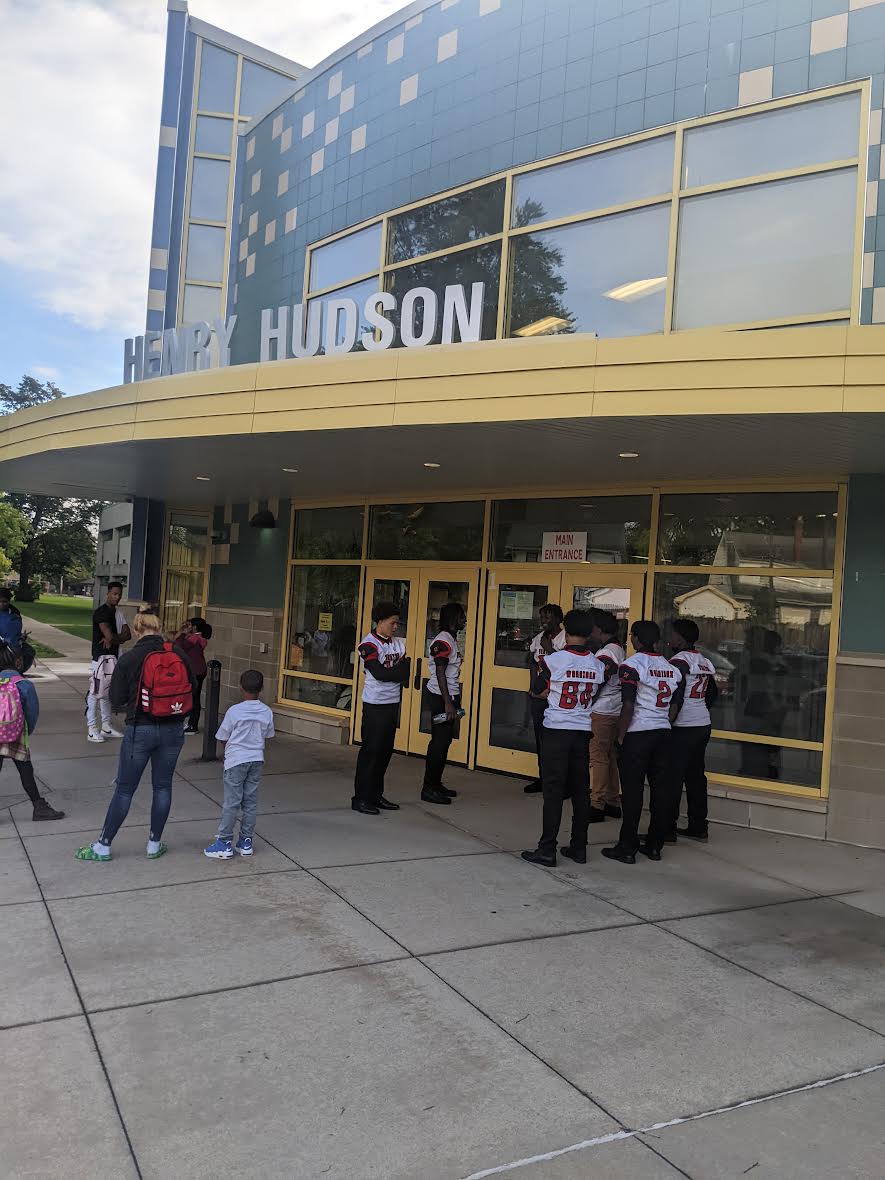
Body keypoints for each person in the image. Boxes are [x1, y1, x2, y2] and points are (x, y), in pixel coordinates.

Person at [75, 607, 196, 862]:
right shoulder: (177, 652)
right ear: (159, 627)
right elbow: (193, 687)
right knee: (162, 787)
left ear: (138, 629)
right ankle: (154, 844)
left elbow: (115, 698)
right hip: (174, 730)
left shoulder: (130, 658)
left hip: (140, 729)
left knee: (125, 789)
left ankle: (103, 845)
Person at [522, 610, 605, 867]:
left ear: (566, 631)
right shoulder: (597, 665)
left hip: (557, 730)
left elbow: (537, 690)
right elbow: (596, 693)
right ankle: (579, 847)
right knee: (581, 791)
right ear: (590, 633)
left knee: (553, 792)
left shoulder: (555, 660)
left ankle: (547, 849)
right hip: (582, 731)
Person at [602, 620, 682, 865]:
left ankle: (627, 847)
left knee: (633, 792)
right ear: (656, 640)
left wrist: (620, 738)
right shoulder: (672, 668)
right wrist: (663, 721)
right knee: (660, 791)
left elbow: (628, 704)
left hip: (638, 734)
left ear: (635, 639)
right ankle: (655, 846)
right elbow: (676, 704)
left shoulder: (632, 665)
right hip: (663, 733)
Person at [203, 669, 275, 859]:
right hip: (256, 759)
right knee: (250, 801)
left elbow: (222, 736)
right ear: (262, 688)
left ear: (240, 687)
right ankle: (246, 841)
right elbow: (268, 734)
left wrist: (230, 749)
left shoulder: (234, 711)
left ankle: (224, 841)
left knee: (231, 802)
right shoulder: (266, 711)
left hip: (236, 760)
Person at [352, 601, 410, 816]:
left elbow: (406, 672)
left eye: (397, 623)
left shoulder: (398, 644)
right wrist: (396, 673)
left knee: (385, 752)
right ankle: (360, 798)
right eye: (393, 623)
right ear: (381, 622)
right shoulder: (368, 645)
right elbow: (379, 673)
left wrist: (395, 673)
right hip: (374, 704)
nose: (396, 627)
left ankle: (376, 794)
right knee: (371, 752)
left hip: (392, 703)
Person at [666, 619, 718, 841]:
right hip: (702, 724)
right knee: (696, 777)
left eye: (673, 634)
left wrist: (668, 722)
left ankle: (667, 828)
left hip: (683, 726)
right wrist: (699, 709)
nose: (670, 637)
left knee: (673, 778)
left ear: (680, 637)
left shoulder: (678, 661)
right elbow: (712, 693)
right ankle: (699, 826)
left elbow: (674, 697)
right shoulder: (704, 660)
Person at [0, 641, 64, 820]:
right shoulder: (24, 685)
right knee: (25, 770)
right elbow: (32, 715)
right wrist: (23, 730)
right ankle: (39, 807)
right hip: (17, 735)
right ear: (18, 662)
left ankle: (39, 806)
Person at [421, 601, 466, 806]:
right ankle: (428, 788)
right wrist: (448, 703)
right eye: (461, 616)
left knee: (444, 741)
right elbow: (440, 672)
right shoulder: (444, 640)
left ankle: (436, 783)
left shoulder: (451, 639)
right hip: (441, 697)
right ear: (452, 618)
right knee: (439, 742)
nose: (464, 620)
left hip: (449, 696)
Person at [523, 604, 565, 794]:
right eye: (542, 618)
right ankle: (543, 779)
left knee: (557, 743)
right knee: (541, 740)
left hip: (557, 699)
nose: (544, 621)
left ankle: (561, 783)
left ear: (558, 619)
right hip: (540, 698)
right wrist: (533, 687)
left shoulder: (566, 639)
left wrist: (550, 650)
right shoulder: (538, 639)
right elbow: (533, 662)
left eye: (548, 617)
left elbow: (566, 666)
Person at [588, 611, 625, 822]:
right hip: (615, 709)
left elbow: (604, 673)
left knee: (598, 756)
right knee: (610, 756)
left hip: (602, 710)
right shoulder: (618, 649)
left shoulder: (606, 653)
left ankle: (597, 803)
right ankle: (612, 801)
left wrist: (590, 698)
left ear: (599, 630)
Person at [87, 581, 131, 743]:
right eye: (114, 594)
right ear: (107, 593)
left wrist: (113, 639)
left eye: (119, 594)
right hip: (100, 659)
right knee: (95, 693)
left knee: (107, 695)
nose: (117, 597)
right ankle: (92, 729)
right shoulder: (101, 613)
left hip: (114, 658)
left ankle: (106, 726)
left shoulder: (118, 613)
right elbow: (113, 636)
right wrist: (112, 638)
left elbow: (128, 635)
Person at [175, 617, 213, 735]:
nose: (188, 626)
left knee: (193, 698)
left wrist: (181, 633)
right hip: (199, 670)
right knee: (194, 697)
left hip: (194, 671)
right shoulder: (198, 637)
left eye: (190, 625)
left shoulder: (194, 638)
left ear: (195, 627)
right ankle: (191, 722)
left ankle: (192, 725)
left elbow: (179, 646)